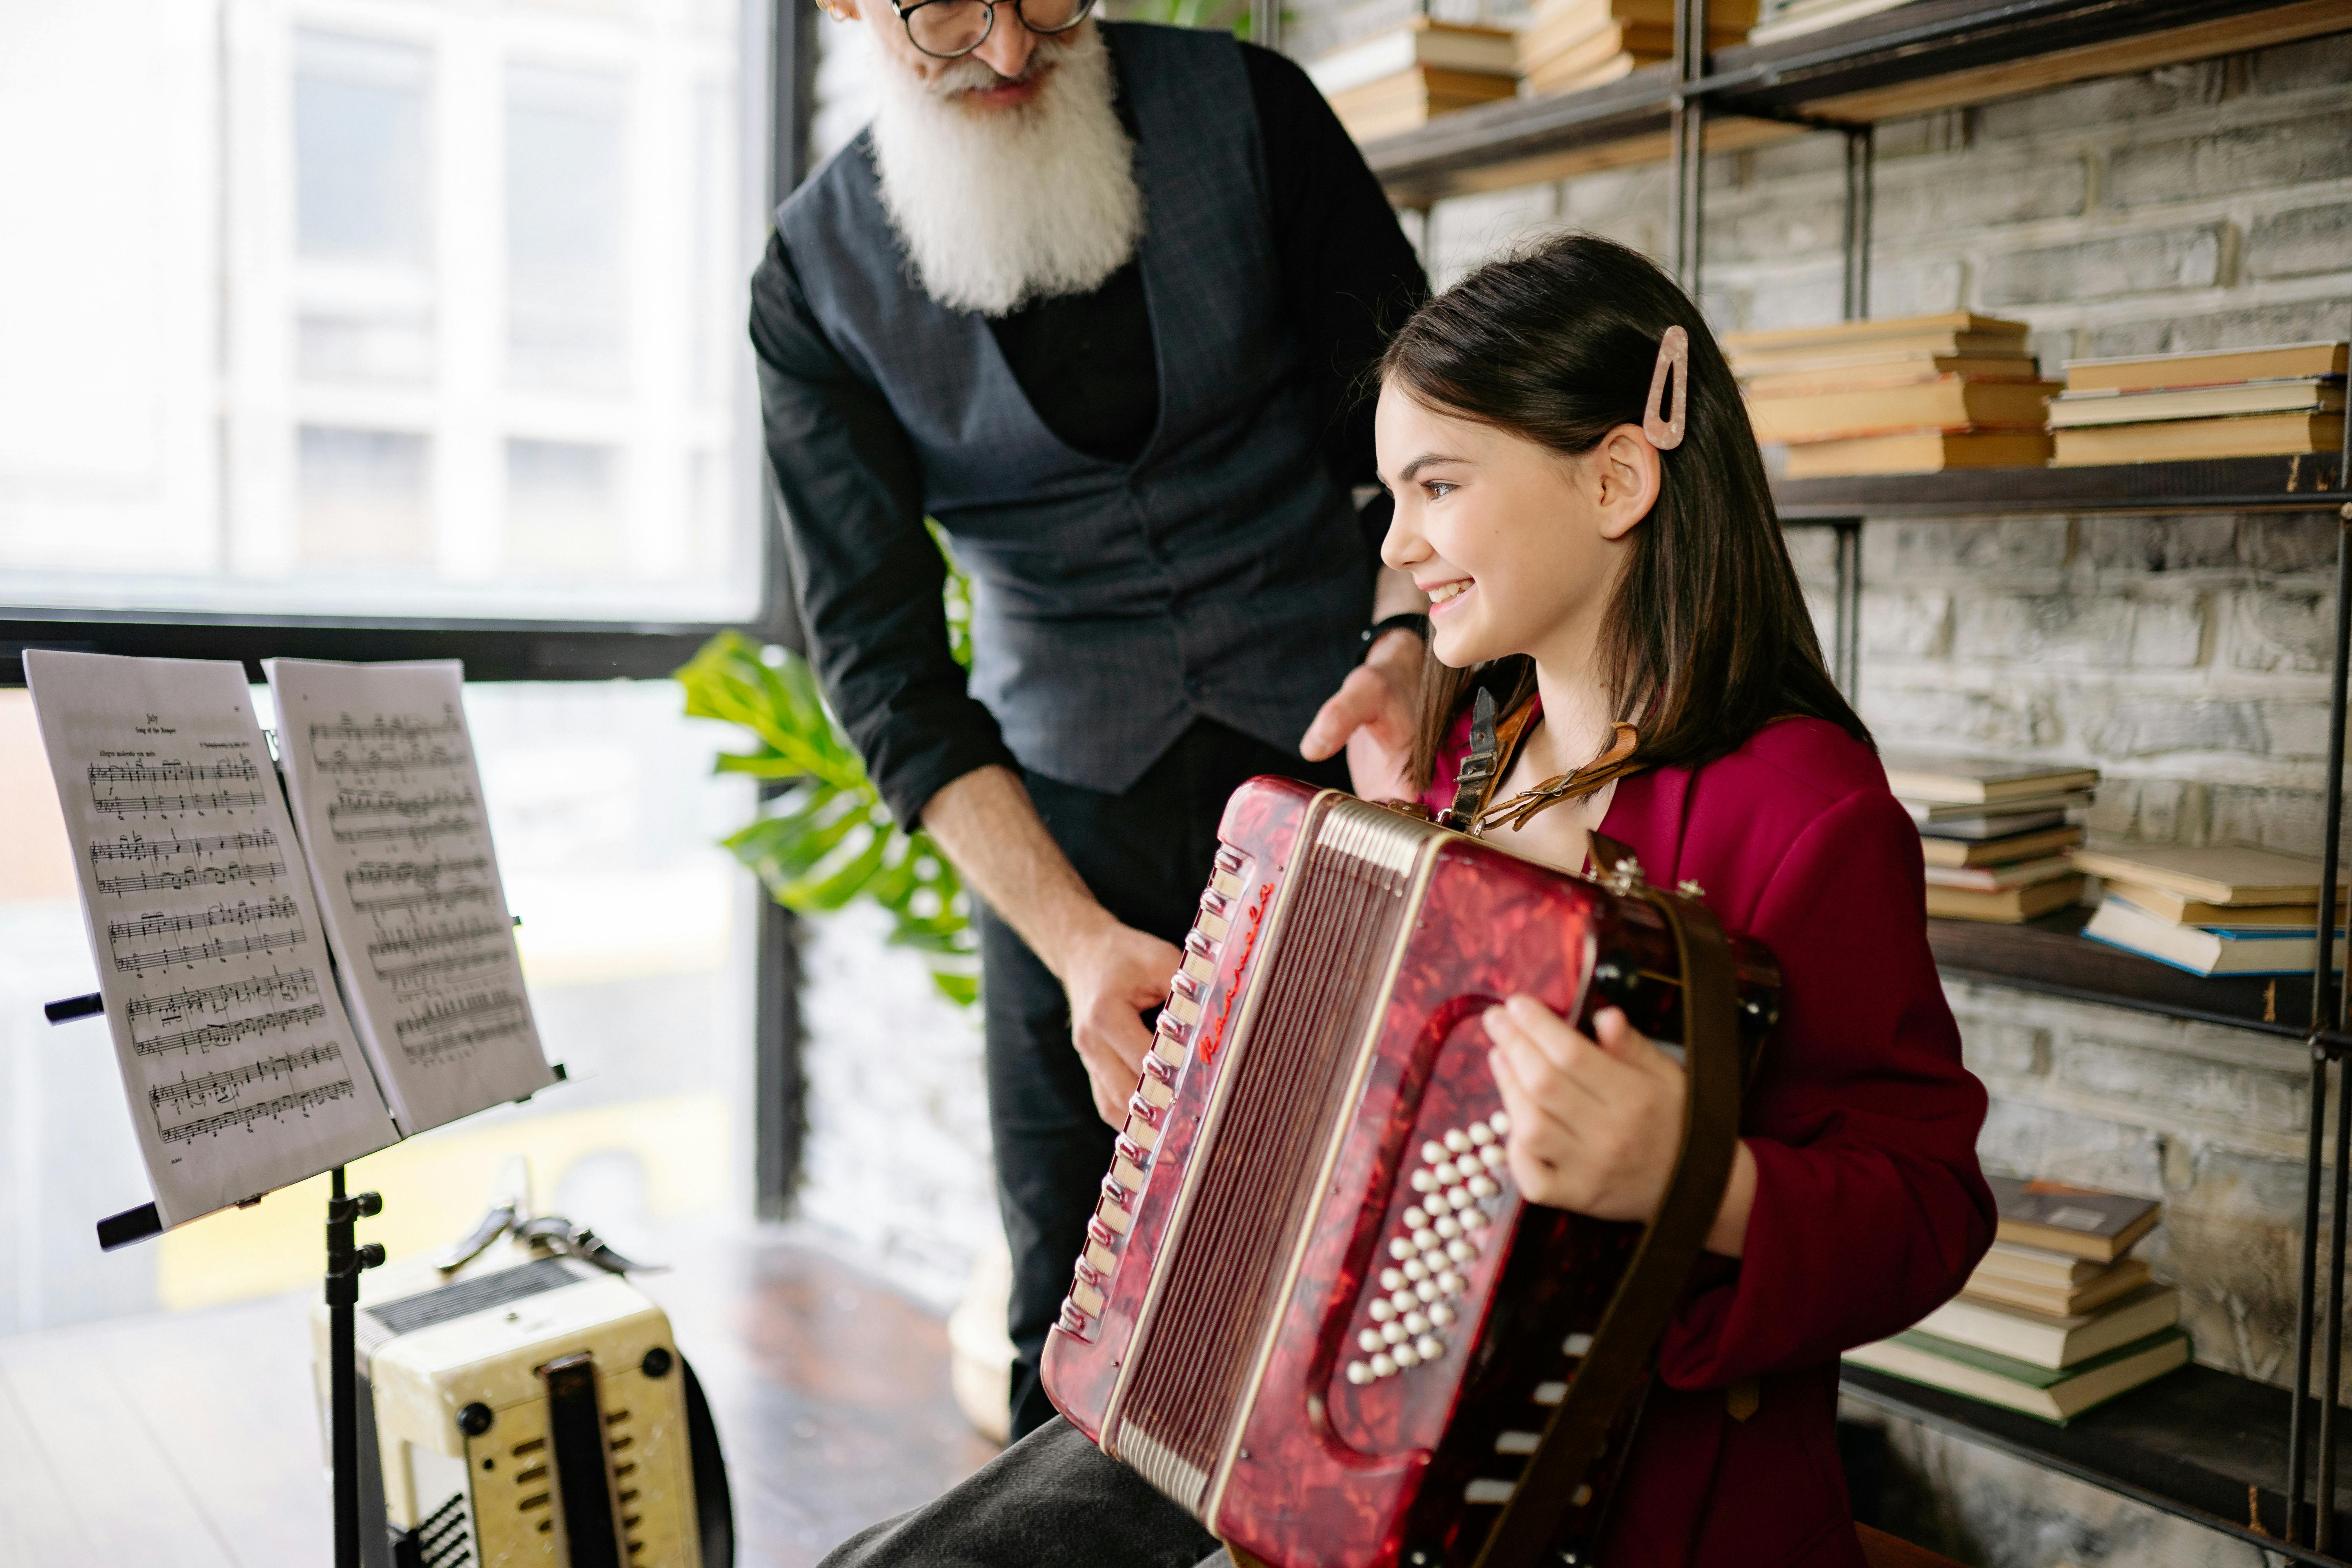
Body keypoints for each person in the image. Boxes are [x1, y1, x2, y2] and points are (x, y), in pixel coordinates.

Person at [815, 232, 1993, 1568]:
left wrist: (1694, 1180)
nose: (1399, 540)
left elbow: (1931, 1207)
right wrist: (1211, 1068)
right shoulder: (1464, 767)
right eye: (1390, 492)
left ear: (1615, 478)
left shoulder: (1806, 809)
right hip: (1349, 1429)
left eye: (1438, 484)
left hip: (1623, 1509)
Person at [749, 0, 1430, 1439]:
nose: (1007, 52)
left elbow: (1426, 434)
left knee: (1362, 1276)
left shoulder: (1257, 113)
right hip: (1063, 828)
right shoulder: (813, 281)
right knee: (1078, 1318)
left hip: (1342, 759)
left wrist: (1412, 641)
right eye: (944, 11)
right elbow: (878, 663)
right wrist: (1070, 942)